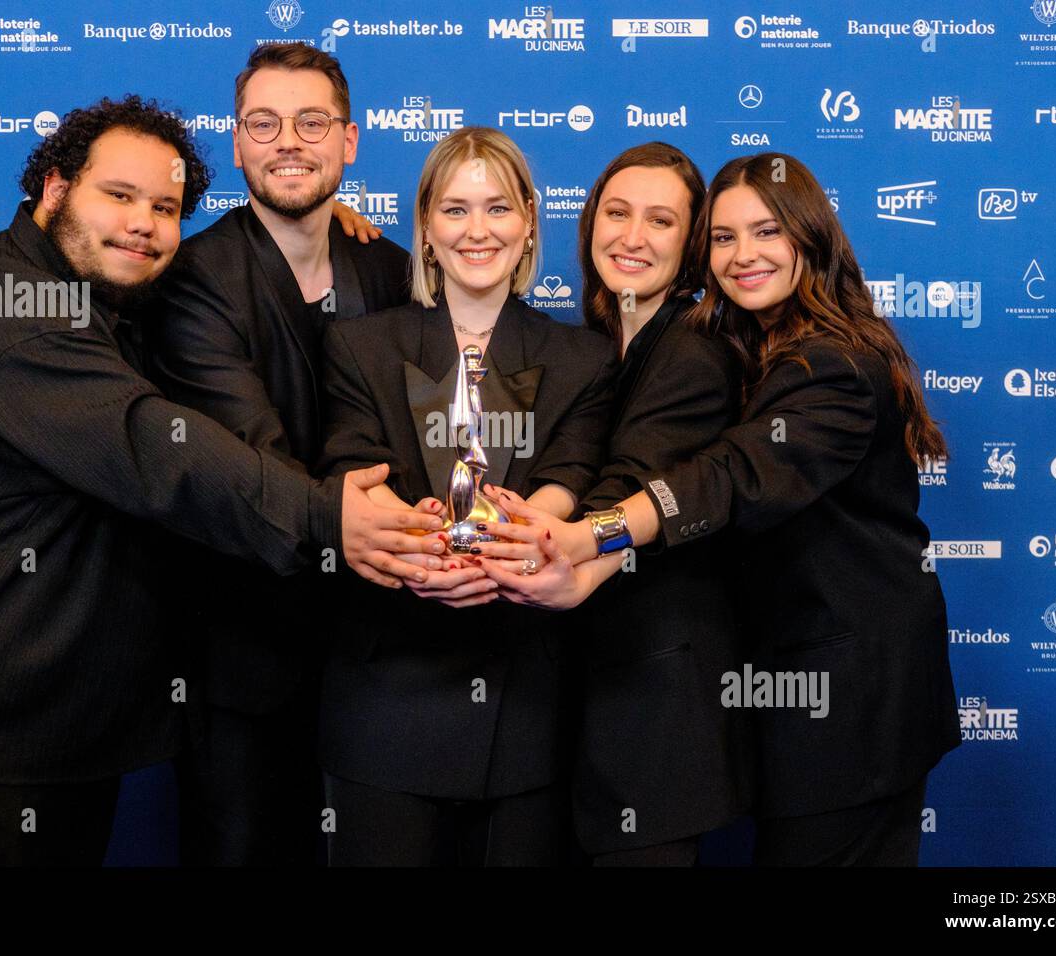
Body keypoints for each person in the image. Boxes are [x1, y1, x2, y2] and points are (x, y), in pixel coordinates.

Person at [0, 95, 443, 867]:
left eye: (165, 206)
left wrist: (315, 219)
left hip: (49, 718)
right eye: (117, 196)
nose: (143, 224)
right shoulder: (10, 302)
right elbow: (153, 447)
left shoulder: (111, 298)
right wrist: (328, 517)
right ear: (54, 191)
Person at [481, 152, 960, 866]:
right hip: (793, 687)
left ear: (811, 240)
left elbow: (730, 476)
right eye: (726, 238)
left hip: (854, 700)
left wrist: (589, 541)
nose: (744, 255)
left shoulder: (832, 362)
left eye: (767, 233)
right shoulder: (756, 344)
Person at [316, 127, 616, 866]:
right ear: (424, 228)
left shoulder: (582, 357)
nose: (477, 231)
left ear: (527, 226)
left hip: (524, 703)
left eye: (497, 209)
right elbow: (360, 473)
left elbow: (568, 481)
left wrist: (498, 552)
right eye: (454, 210)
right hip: (389, 697)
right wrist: (422, 552)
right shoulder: (363, 346)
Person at [147, 43, 411, 867]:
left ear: (350, 141)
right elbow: (250, 457)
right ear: (235, 144)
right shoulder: (193, 278)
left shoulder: (388, 264)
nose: (287, 141)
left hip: (375, 653)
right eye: (264, 123)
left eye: (311, 122)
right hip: (244, 657)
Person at [564, 143, 752, 866]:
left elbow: (627, 490)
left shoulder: (696, 351)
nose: (632, 237)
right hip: (600, 696)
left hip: (658, 710)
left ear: (692, 244)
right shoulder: (597, 345)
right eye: (617, 213)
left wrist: (538, 547)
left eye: (661, 221)